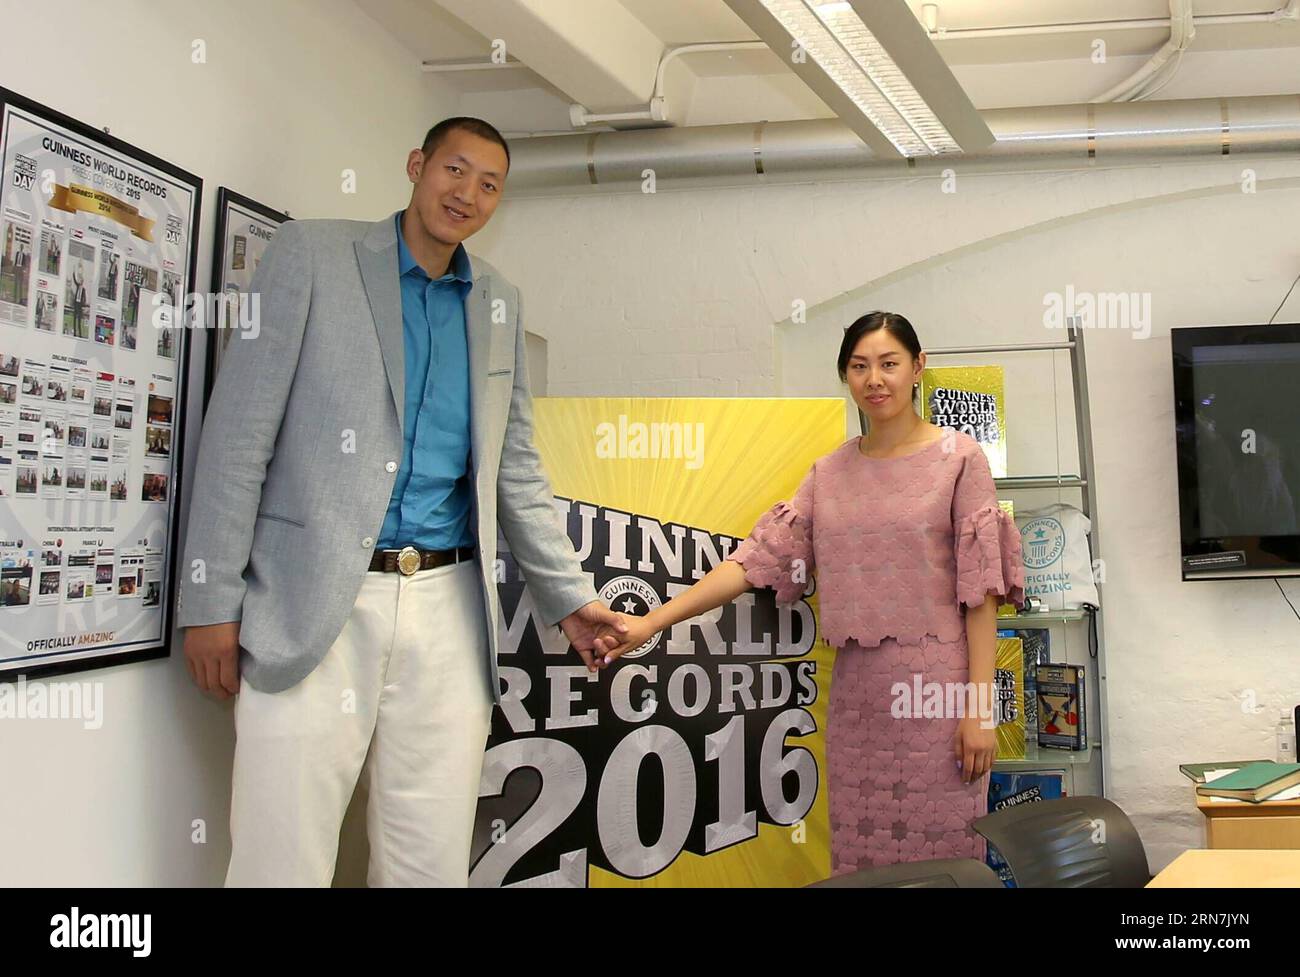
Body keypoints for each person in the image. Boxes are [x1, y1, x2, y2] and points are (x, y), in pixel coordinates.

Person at [177, 117, 627, 888]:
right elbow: (236, 436)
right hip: (312, 596)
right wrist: (209, 600)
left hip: (448, 605)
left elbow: (513, 465)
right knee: (279, 856)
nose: (469, 194)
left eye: (490, 184)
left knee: (429, 859)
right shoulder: (312, 256)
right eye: (456, 171)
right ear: (417, 166)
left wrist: (569, 598)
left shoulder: (499, 302)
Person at [601, 311, 1025, 874]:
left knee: (943, 865)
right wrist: (653, 621)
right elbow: (757, 560)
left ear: (919, 368)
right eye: (859, 366)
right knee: (862, 865)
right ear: (845, 376)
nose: (875, 379)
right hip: (859, 706)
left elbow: (982, 595)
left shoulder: (961, 458)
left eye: (889, 364)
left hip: (939, 702)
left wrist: (980, 711)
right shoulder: (829, 472)